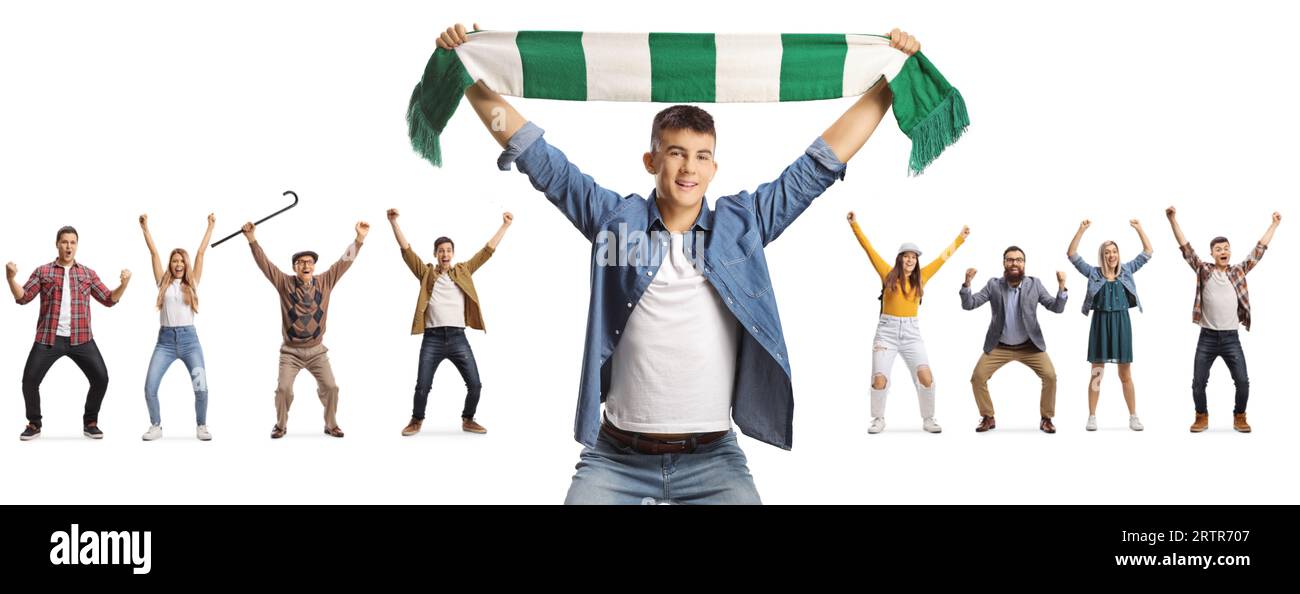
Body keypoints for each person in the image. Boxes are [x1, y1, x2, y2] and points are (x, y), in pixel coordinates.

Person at [439, 22, 923, 504]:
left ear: (714, 167)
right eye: (675, 153)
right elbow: (538, 159)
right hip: (616, 458)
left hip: (714, 460)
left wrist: (890, 82)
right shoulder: (614, 221)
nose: (689, 167)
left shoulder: (744, 224)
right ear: (651, 161)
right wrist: (469, 69)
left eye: (701, 156)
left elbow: (817, 166)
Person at [388, 208, 513, 436]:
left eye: (448, 250)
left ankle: (468, 419)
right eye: (441, 251)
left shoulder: (464, 270)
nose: (445, 254)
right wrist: (393, 222)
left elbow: (487, 252)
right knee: (422, 386)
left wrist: (504, 225)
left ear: (452, 253)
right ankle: (416, 420)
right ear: (435, 254)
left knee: (475, 384)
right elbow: (407, 251)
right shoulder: (426, 273)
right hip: (432, 339)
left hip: (457, 338)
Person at [242, 219, 368, 438]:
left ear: (314, 266)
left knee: (331, 388)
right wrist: (252, 239)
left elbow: (344, 261)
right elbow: (265, 264)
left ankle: (331, 424)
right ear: (295, 267)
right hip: (290, 352)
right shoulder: (284, 283)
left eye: (309, 262)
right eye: (301, 262)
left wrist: (359, 239)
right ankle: (280, 425)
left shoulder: (325, 281)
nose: (306, 265)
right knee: (283, 390)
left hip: (317, 351)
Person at [847, 211, 967, 434]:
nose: (910, 259)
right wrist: (854, 224)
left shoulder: (922, 278)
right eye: (906, 255)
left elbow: (943, 257)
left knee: (926, 376)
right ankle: (878, 419)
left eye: (914, 256)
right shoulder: (887, 274)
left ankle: (929, 418)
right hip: (887, 332)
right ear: (900, 258)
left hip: (912, 332)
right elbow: (868, 249)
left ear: (917, 261)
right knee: (879, 379)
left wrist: (960, 238)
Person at [8, 226, 131, 440]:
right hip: (48, 338)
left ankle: (90, 422)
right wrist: (10, 279)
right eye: (64, 242)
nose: (68, 246)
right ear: (57, 244)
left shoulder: (87, 273)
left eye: (72, 242)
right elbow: (24, 297)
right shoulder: (43, 271)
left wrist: (124, 284)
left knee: (101, 378)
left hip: (81, 338)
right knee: (29, 380)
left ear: (77, 245)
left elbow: (108, 299)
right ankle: (34, 423)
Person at [1165, 206, 1281, 433]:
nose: (1223, 251)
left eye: (1226, 248)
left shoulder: (1238, 271)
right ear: (1212, 254)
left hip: (1231, 338)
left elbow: (1259, 250)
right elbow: (1185, 248)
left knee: (1243, 382)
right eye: (1218, 249)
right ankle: (1201, 415)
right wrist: (1172, 220)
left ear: (1230, 252)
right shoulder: (1204, 270)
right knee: (1198, 383)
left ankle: (1240, 416)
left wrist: (1274, 224)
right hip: (1207, 338)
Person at [960, 246, 1068, 433]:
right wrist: (967, 284)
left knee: (1050, 376)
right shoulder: (994, 285)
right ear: (1004, 263)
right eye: (1010, 260)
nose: (1014, 263)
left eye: (1019, 260)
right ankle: (988, 416)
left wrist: (1061, 287)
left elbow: (1056, 308)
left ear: (1024, 264)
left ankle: (1046, 418)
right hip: (999, 345)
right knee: (978, 378)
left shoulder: (1034, 284)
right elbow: (970, 304)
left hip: (1030, 346)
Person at [1066, 218, 1153, 432]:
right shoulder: (1094, 273)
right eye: (1107, 252)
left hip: (1122, 323)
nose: (1111, 255)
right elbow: (1072, 254)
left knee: (1125, 374)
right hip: (1100, 323)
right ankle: (1092, 416)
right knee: (1097, 373)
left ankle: (1133, 416)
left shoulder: (1127, 270)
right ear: (1102, 256)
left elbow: (1148, 251)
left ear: (1118, 254)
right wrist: (1081, 229)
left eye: (1114, 251)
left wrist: (1139, 228)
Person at [139, 213, 217, 441]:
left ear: (186, 264)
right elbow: (153, 253)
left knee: (201, 387)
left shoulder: (191, 283)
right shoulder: (162, 283)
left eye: (182, 260)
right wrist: (145, 228)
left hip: (190, 341)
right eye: (175, 260)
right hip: (164, 343)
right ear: (170, 264)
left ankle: (201, 426)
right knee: (149, 386)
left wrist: (210, 226)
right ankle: (156, 425)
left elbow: (201, 253)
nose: (179, 264)